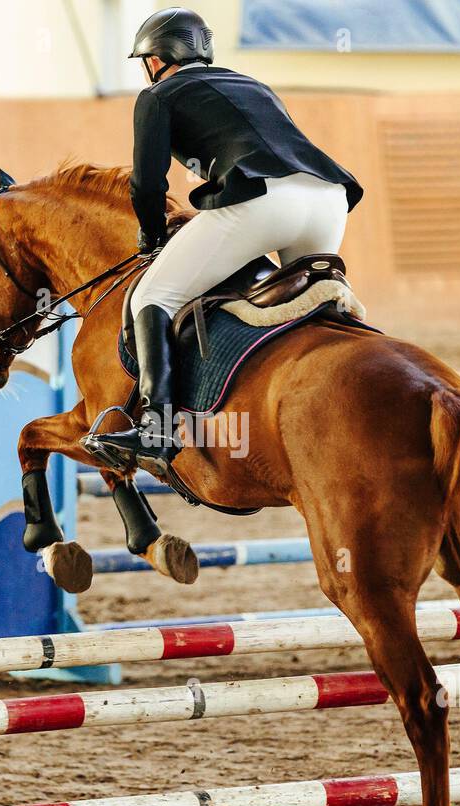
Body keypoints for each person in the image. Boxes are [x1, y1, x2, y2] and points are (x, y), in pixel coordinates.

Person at [88, 6, 363, 473]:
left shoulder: (158, 96)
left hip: (262, 201)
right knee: (314, 304)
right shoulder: (252, 84)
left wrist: (153, 237)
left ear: (156, 60)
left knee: (154, 296)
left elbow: (148, 185)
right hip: (327, 198)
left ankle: (157, 429)